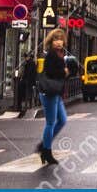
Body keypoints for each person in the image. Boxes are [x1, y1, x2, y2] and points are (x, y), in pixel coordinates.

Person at [36, 28, 71, 165]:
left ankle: (43, 145)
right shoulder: (51, 54)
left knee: (62, 120)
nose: (58, 42)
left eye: (60, 39)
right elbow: (51, 72)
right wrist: (64, 71)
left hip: (56, 92)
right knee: (50, 122)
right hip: (49, 92)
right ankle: (46, 151)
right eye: (55, 39)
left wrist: (67, 71)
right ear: (51, 41)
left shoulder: (60, 54)